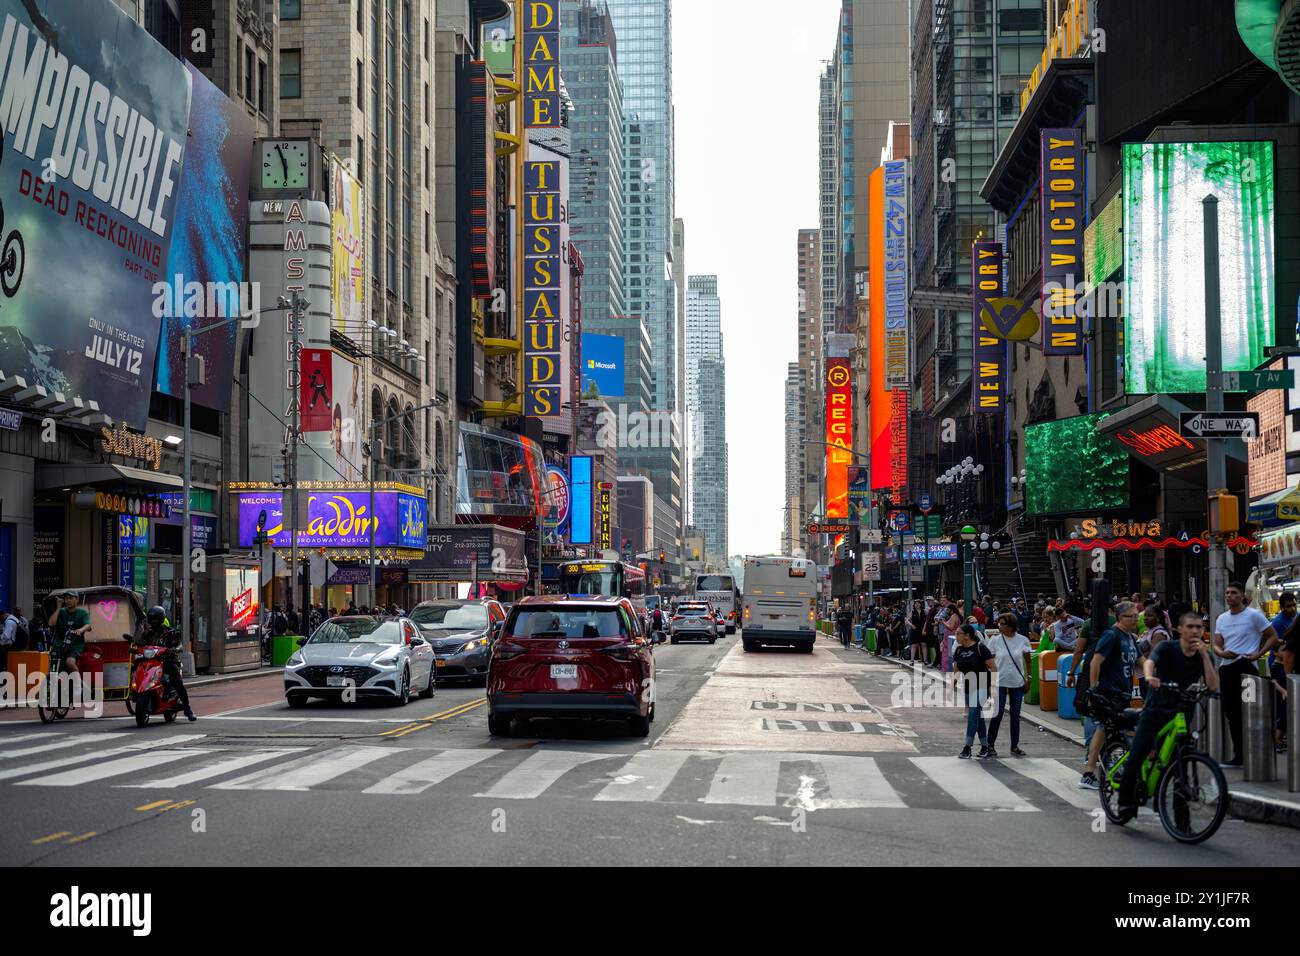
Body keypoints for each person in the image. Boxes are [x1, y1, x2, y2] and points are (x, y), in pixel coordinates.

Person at [1114, 611, 1218, 822]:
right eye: (1190, 627)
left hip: (1182, 712)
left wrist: (1206, 656)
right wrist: (1150, 676)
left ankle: (1182, 823)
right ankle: (1124, 803)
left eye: (1199, 627)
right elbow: (1151, 662)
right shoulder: (1167, 648)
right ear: (1180, 629)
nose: (1195, 631)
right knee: (1137, 756)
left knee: (1180, 768)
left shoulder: (1202, 655)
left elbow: (1213, 685)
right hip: (1155, 709)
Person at [1077, 601, 1143, 789]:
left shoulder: (1130, 638)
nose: (1136, 619)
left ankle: (1115, 766)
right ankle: (1089, 772)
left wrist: (1156, 675)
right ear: (1122, 617)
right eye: (1133, 616)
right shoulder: (1111, 635)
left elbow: (1142, 661)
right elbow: (1095, 662)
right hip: (1108, 693)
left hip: (1124, 694)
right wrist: (1094, 688)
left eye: (1137, 616)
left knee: (1121, 731)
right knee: (1104, 728)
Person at [1212, 582, 1277, 767]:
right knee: (1232, 713)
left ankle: (1258, 754)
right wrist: (1221, 652)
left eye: (1233, 593)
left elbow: (1273, 636)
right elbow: (1216, 643)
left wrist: (1258, 653)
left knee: (1252, 711)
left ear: (1242, 596)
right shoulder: (1222, 618)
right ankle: (1238, 755)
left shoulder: (1254, 615)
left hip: (1248, 667)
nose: (1229, 596)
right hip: (1227, 667)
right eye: (1227, 592)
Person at [983, 613, 1033, 757]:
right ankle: (990, 745)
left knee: (1015, 715)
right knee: (997, 714)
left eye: (1003, 624)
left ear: (1011, 626)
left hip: (1017, 682)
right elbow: (989, 661)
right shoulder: (995, 640)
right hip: (999, 681)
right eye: (999, 623)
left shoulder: (1023, 640)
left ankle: (1014, 746)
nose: (999, 626)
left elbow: (1028, 661)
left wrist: (1028, 678)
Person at [138, 605, 195, 721]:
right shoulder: (147, 633)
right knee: (137, 670)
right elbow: (139, 644)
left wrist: (175, 649)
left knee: (178, 682)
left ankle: (187, 708)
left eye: (156, 619)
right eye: (151, 619)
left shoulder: (170, 632)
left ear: (161, 619)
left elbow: (179, 645)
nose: (153, 621)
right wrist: (134, 647)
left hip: (167, 661)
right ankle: (135, 693)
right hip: (150, 662)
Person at [953, 623, 996, 759]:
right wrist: (951, 685)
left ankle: (967, 747)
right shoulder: (958, 650)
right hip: (967, 686)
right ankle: (985, 747)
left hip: (982, 685)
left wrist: (993, 687)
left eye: (958, 633)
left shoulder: (980, 648)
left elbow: (993, 668)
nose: (956, 636)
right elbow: (956, 670)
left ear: (967, 635)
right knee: (977, 717)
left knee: (972, 714)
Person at [48, 591, 91, 678]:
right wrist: (58, 607)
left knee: (70, 662)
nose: (68, 600)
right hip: (59, 646)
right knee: (53, 668)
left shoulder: (82, 613)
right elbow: (51, 624)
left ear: (77, 599)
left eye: (71, 598)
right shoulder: (62, 611)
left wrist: (80, 630)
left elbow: (88, 625)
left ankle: (77, 685)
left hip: (75, 646)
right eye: (66, 598)